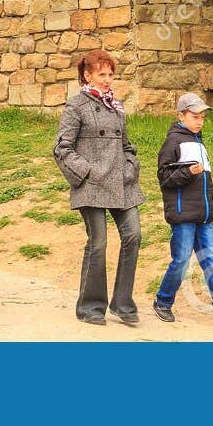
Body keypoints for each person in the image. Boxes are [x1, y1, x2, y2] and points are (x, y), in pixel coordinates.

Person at [53, 49, 143, 326]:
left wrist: (130, 167)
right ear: (87, 75)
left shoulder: (116, 106)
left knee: (134, 235)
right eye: (101, 74)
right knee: (99, 243)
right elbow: (61, 148)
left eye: (110, 74)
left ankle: (123, 303)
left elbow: (128, 146)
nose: (107, 79)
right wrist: (88, 172)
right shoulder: (76, 106)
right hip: (92, 185)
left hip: (122, 182)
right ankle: (90, 307)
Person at [152, 92, 213, 329]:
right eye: (195, 116)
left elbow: (205, 183)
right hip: (183, 216)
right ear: (181, 115)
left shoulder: (199, 142)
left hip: (204, 216)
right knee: (181, 261)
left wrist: (210, 210)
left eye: (203, 117)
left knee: (212, 261)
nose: (199, 121)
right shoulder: (173, 142)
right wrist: (188, 173)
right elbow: (164, 178)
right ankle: (162, 302)